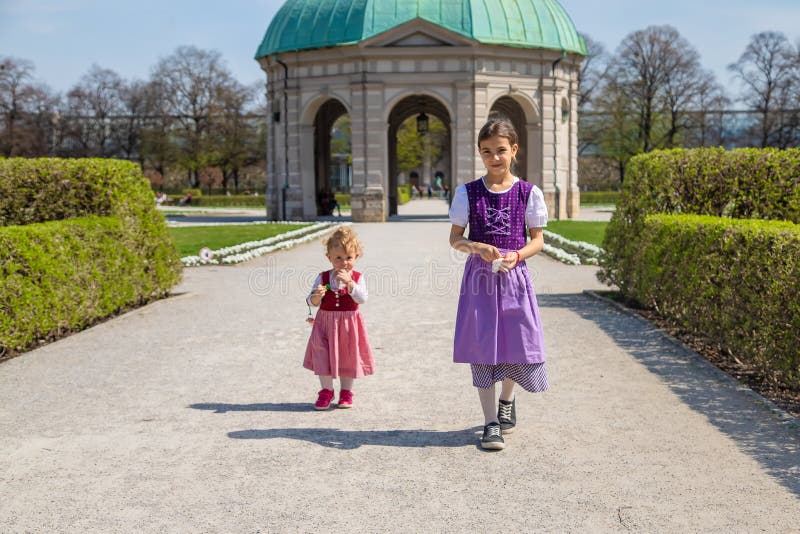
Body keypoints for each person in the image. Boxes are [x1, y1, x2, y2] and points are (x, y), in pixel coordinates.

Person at [448, 117, 549, 450]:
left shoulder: (527, 193)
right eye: (487, 151)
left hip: (514, 278)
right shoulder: (468, 193)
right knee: (482, 346)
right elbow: (455, 239)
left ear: (514, 150)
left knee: (514, 343)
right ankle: (490, 422)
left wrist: (517, 256)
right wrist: (478, 247)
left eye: (501, 150)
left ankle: (508, 399)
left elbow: (538, 240)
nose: (494, 157)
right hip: (479, 279)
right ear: (480, 153)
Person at [304, 226, 374, 409]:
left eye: (349, 258)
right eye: (338, 258)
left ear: (356, 256)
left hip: (349, 323)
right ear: (329, 258)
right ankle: (326, 390)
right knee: (321, 355)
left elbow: (362, 298)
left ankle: (346, 391)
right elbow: (311, 302)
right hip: (325, 323)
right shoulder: (323, 277)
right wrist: (317, 296)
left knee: (348, 355)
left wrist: (350, 284)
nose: (344, 262)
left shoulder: (358, 277)